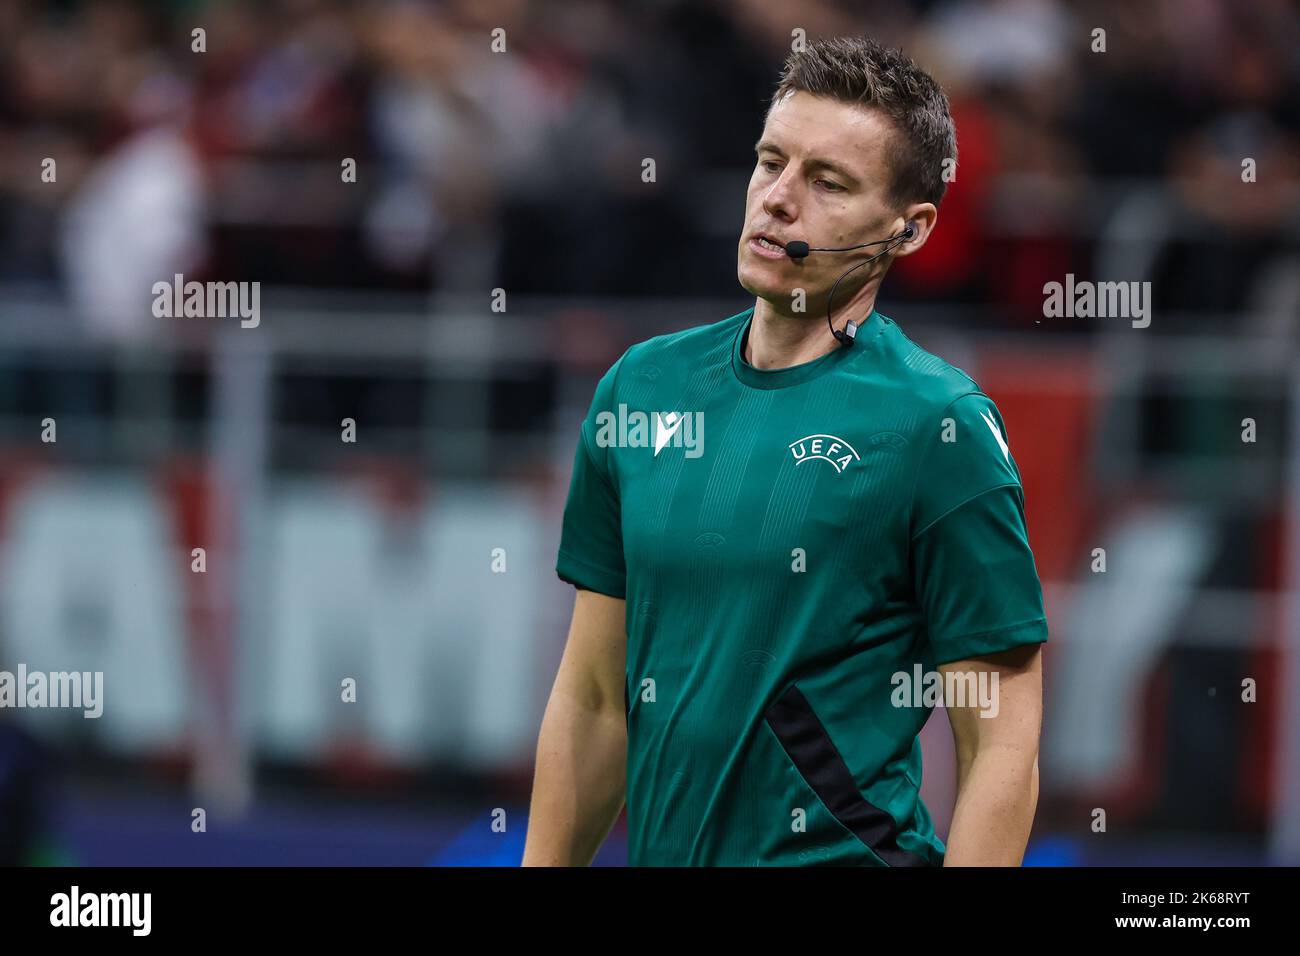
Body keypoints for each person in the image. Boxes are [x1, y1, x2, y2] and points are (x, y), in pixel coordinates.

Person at [524, 36, 1046, 867]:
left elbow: (1002, 743)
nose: (777, 199)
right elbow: (592, 702)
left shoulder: (939, 424)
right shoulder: (641, 390)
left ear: (907, 232)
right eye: (770, 163)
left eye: (827, 182)